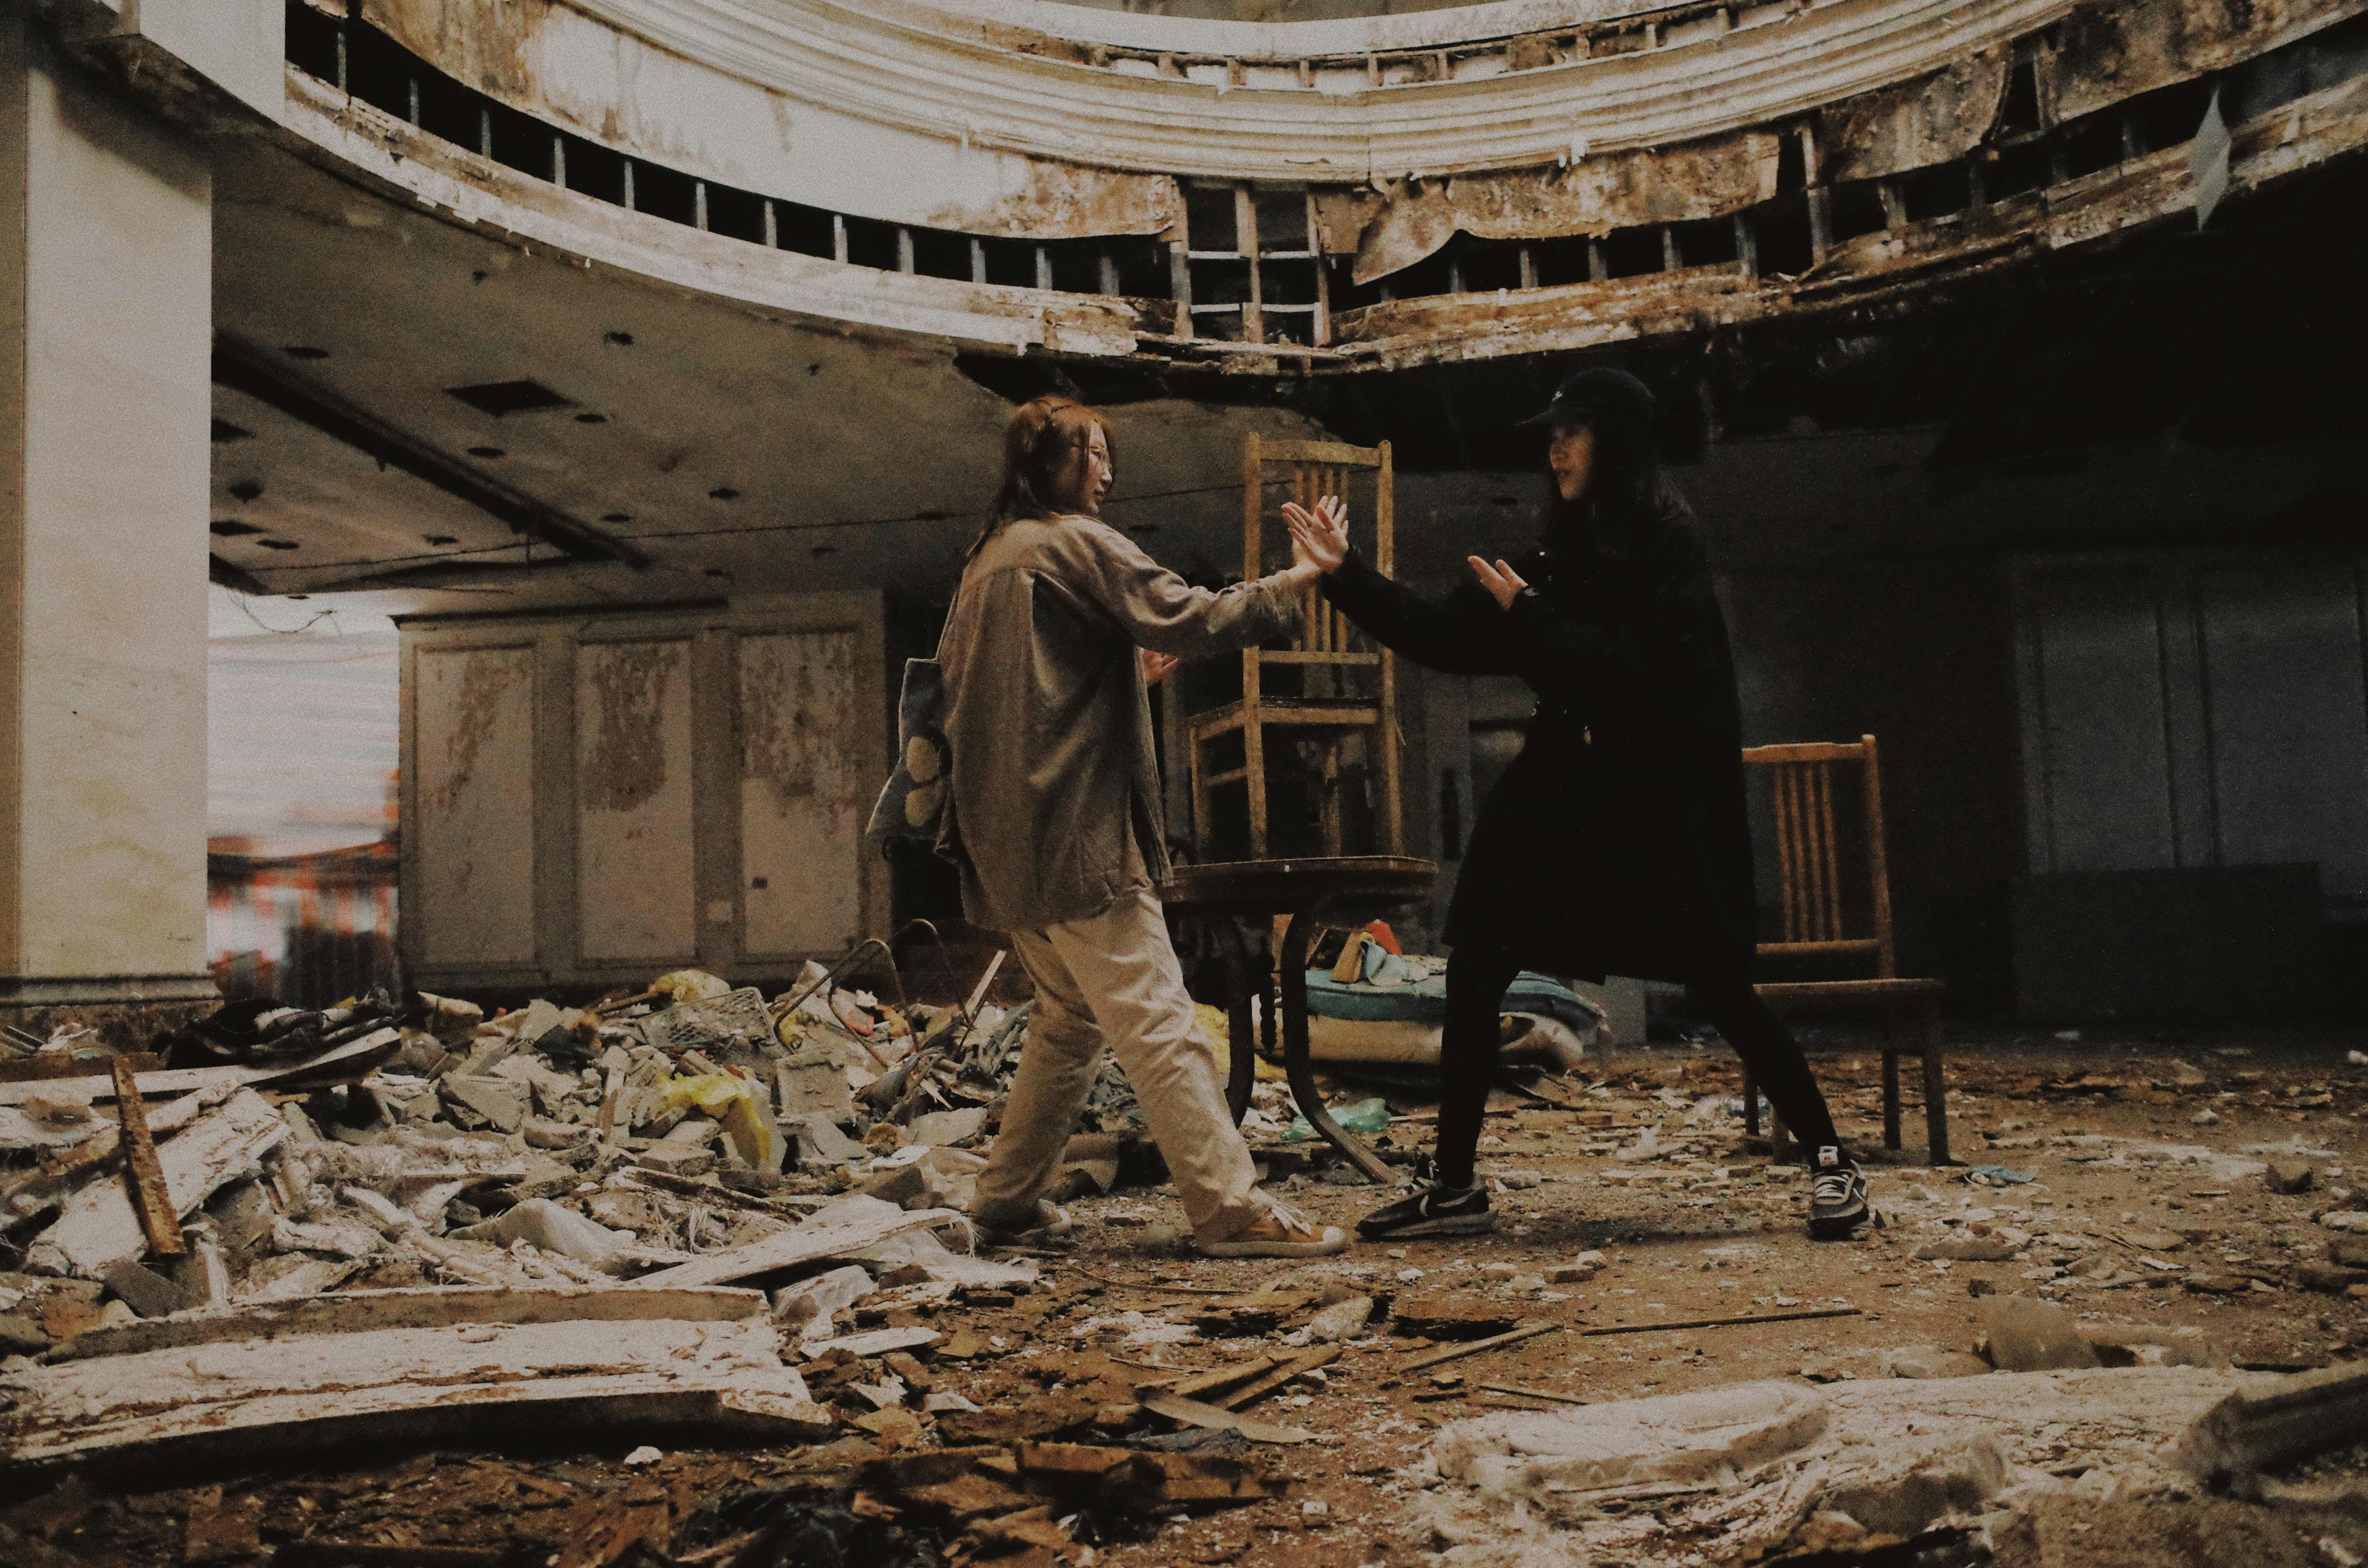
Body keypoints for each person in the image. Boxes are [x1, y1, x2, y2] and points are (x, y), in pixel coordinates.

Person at [1282, 368, 1871, 1243]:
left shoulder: (1668, 541)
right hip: (1566, 787)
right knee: (1478, 958)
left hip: (1657, 796)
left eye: (1573, 432)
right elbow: (1448, 635)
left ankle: (1832, 1162)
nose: (1555, 450)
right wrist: (1346, 575)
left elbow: (1640, 674)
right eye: (1550, 435)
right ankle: (1454, 1187)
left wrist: (1532, 614)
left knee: (1719, 985)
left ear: (1617, 442)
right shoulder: (1556, 556)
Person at [940, 394, 1347, 1259]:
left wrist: (1129, 677)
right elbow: (1195, 617)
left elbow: (1016, 701)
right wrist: (1301, 578)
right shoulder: (1076, 543)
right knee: (1160, 1022)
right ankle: (1229, 1210)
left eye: (1105, 453)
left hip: (1005, 842)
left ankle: (1005, 1202)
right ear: (1045, 464)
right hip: (1075, 834)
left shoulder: (987, 561)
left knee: (1069, 1022)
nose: (1106, 471)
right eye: (1089, 453)